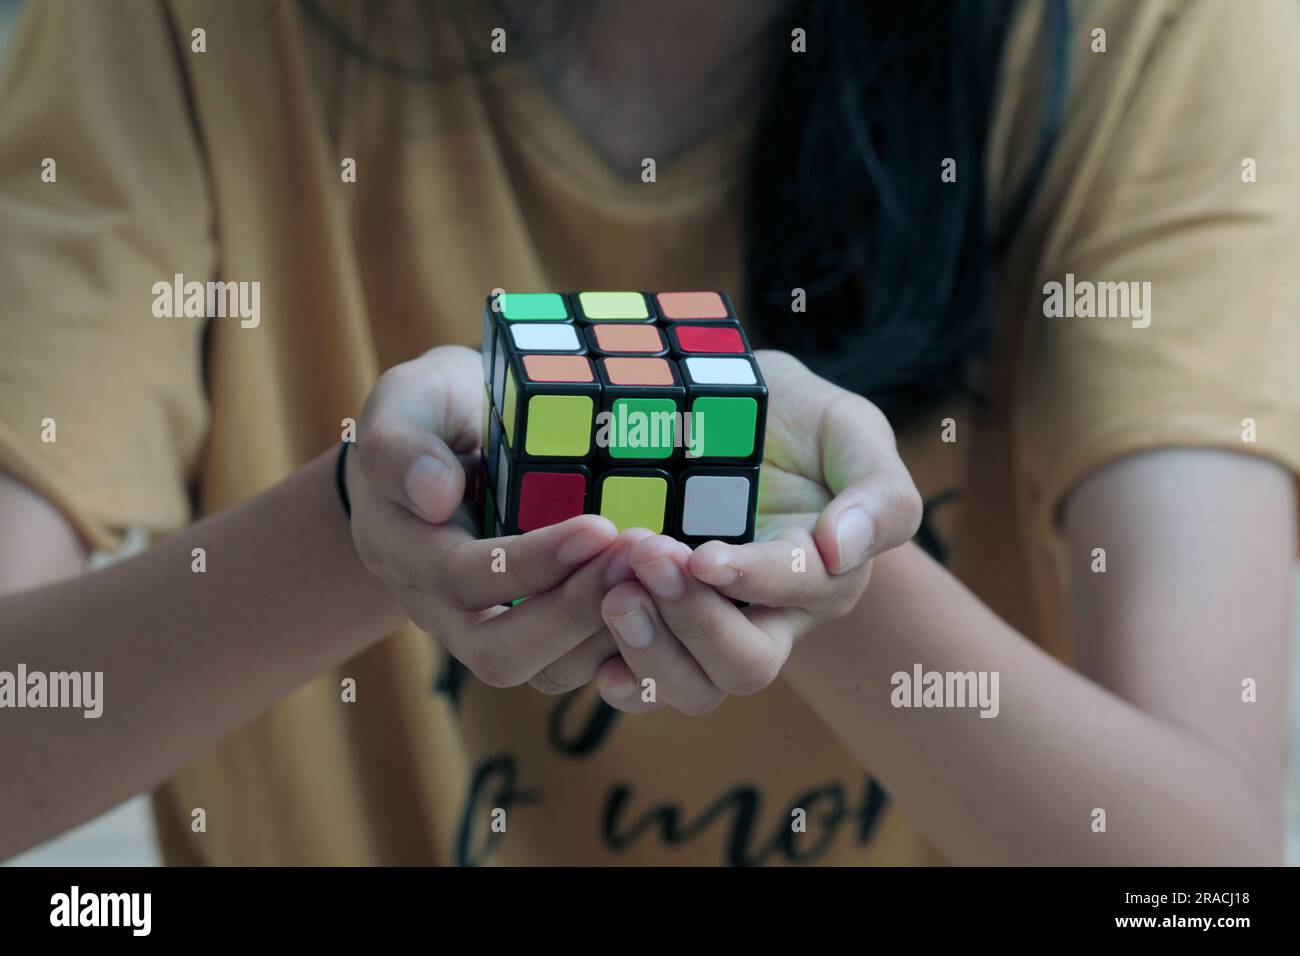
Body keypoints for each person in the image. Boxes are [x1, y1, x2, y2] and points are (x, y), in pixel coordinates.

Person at [0, 0, 1296, 866]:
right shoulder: (178, 26)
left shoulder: (1164, 35)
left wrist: (817, 562)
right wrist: (372, 519)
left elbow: (1206, 873)